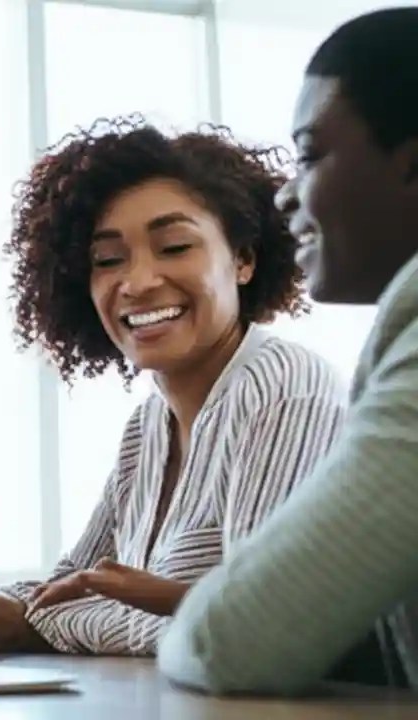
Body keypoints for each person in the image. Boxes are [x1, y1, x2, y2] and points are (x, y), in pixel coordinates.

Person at [0, 116, 346, 656]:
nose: (137, 281)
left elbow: (263, 626)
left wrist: (100, 611)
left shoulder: (284, 388)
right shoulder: (148, 426)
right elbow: (54, 604)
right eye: (108, 260)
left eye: (175, 246)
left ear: (243, 259)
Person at [159, 7, 418, 694]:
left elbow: (230, 639)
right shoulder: (145, 429)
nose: (284, 194)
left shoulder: (292, 383)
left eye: (308, 153)